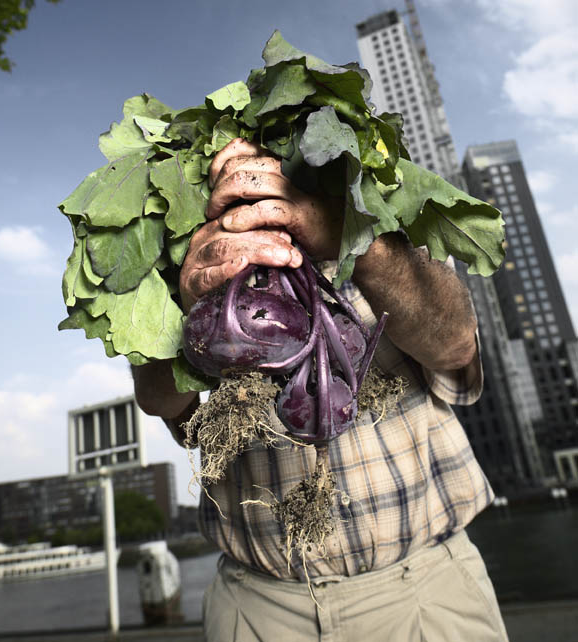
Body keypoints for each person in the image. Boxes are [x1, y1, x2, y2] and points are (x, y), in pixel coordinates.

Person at [132, 138, 509, 642]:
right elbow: (162, 402)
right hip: (261, 604)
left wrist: (355, 236)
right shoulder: (189, 250)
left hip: (424, 588)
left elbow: (456, 347)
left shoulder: (376, 212)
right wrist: (191, 312)